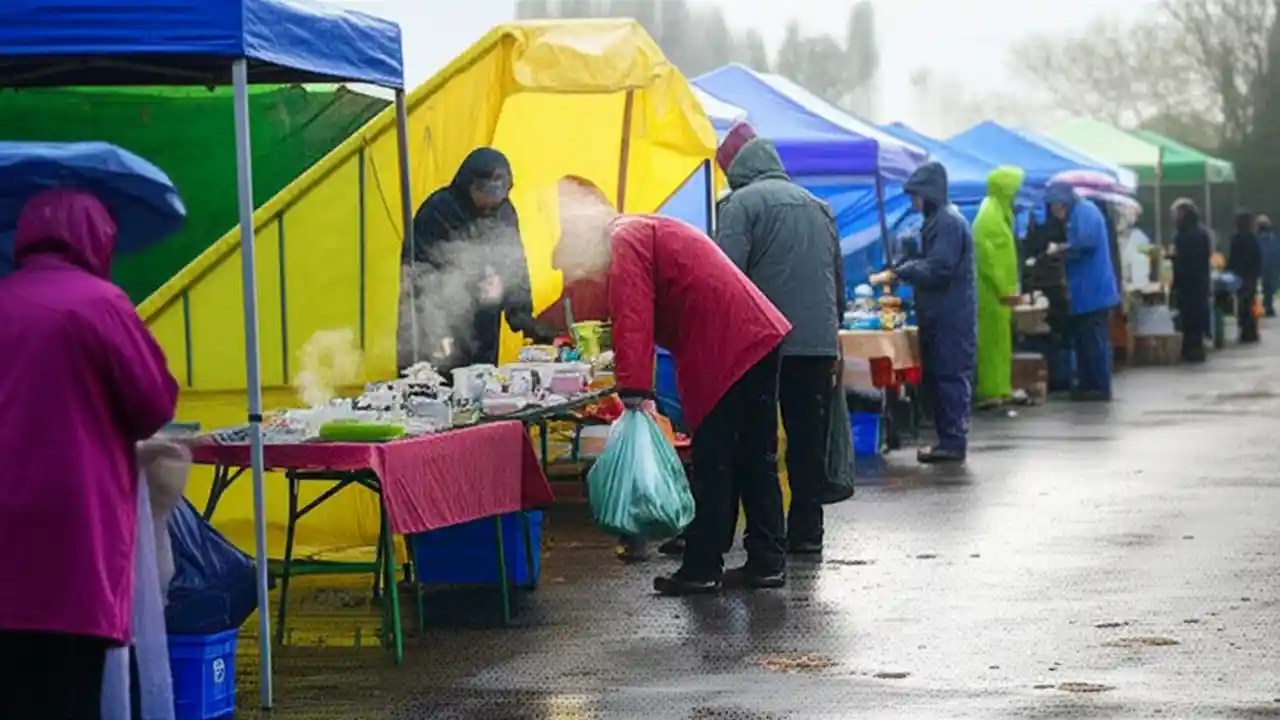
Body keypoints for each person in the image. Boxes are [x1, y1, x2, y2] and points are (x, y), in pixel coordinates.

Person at [552, 177, 792, 595]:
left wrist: (633, 388)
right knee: (755, 455)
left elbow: (633, 313)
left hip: (725, 342)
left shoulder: (624, 240)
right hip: (756, 334)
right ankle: (766, 561)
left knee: (715, 458)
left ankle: (702, 566)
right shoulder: (642, 228)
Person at [0, 189, 178, 719]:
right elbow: (153, 402)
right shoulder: (100, 304)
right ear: (96, 238)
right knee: (71, 693)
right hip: (76, 542)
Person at [713, 122, 843, 555]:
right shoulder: (819, 206)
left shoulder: (740, 205)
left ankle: (765, 541)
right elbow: (836, 280)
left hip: (766, 342)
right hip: (819, 342)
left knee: (760, 443)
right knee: (808, 440)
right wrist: (833, 334)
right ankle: (808, 531)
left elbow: (726, 277)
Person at [401, 147, 552, 370]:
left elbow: (514, 263)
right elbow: (420, 272)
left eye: (498, 197)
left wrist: (521, 314)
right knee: (438, 387)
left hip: (485, 323)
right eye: (486, 196)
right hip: (440, 326)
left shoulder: (504, 211)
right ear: (469, 185)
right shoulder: (439, 210)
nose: (491, 205)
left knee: (482, 383)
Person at [869, 162, 975, 464]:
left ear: (929, 194)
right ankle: (948, 439)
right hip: (943, 314)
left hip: (950, 317)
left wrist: (901, 272)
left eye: (916, 195)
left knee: (949, 377)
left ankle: (952, 443)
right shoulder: (940, 221)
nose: (913, 202)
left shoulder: (947, 223)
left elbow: (940, 268)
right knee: (942, 377)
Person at [1044, 183, 1121, 399]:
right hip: (1087, 291)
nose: (1053, 212)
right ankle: (1089, 383)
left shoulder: (1084, 212)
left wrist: (1062, 249)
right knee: (1085, 340)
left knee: (1093, 340)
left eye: (1054, 206)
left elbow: (1086, 243)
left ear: (1062, 202)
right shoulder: (1080, 212)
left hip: (1093, 291)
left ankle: (1098, 386)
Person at [972, 166, 1025, 408]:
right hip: (992, 293)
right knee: (992, 343)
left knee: (1001, 342)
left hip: (1000, 292)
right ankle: (992, 389)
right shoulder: (990, 217)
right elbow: (989, 259)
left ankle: (1001, 387)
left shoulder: (998, 213)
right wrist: (1004, 288)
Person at [1171, 198, 1213, 362]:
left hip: (1189, 282)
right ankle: (1194, 348)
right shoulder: (1201, 233)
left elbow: (1188, 259)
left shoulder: (1184, 234)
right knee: (1195, 316)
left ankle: (1191, 349)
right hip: (1198, 282)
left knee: (1189, 316)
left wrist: (1176, 261)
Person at [1227, 210, 1262, 343]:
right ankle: (1251, 331)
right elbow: (1257, 257)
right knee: (1250, 303)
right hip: (1250, 275)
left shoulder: (1236, 238)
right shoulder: (1253, 238)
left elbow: (1233, 258)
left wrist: (1230, 270)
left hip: (1240, 275)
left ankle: (1245, 330)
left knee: (1243, 305)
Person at [1259, 215, 1279, 317]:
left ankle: (1267, 305)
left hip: (1266, 266)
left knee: (1268, 287)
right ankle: (1267, 306)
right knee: (1268, 287)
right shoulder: (1271, 238)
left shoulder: (1263, 238)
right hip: (1268, 266)